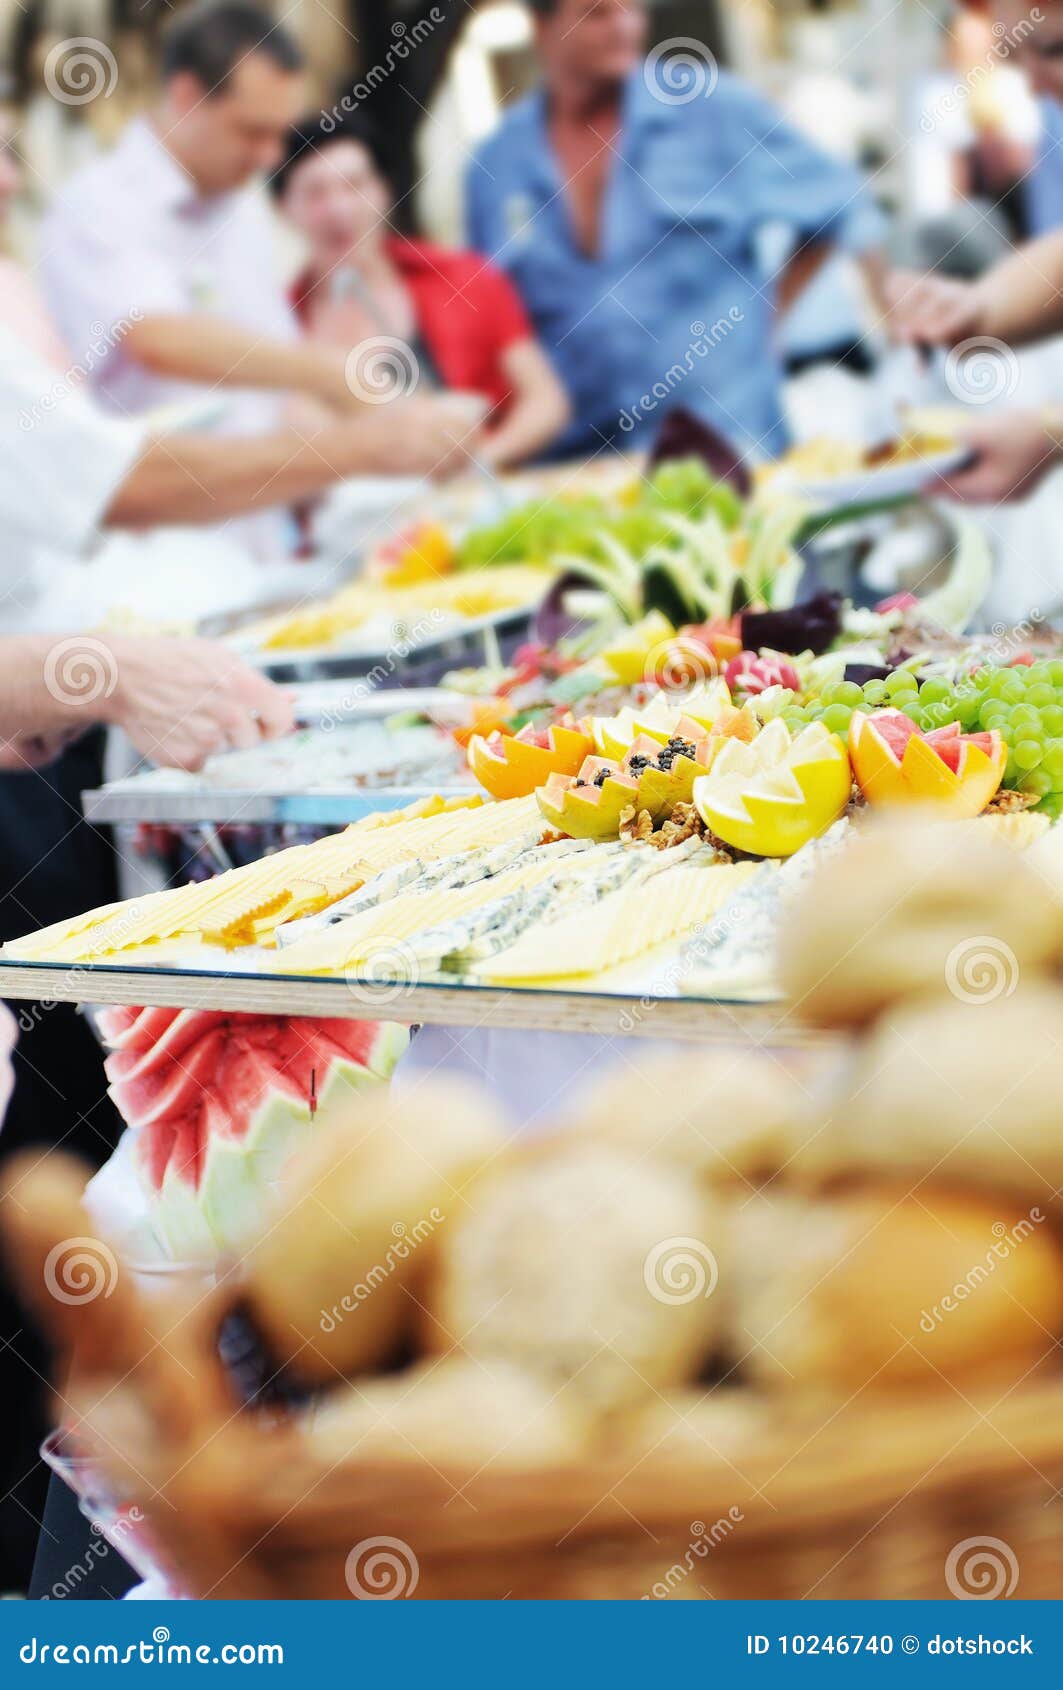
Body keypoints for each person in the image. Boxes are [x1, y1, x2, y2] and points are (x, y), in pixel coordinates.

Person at [39, 0, 479, 544]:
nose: (272, 156)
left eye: (278, 133)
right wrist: (340, 378)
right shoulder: (98, 207)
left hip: (269, 535)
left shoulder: (240, 207)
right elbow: (156, 338)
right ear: (185, 97)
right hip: (162, 552)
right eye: (252, 132)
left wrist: (384, 461)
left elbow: (272, 375)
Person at [465, 0, 886, 461]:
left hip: (726, 445)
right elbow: (488, 312)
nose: (624, 25)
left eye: (633, 9)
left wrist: (771, 314)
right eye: (597, 13)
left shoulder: (712, 110)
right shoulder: (496, 163)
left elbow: (839, 202)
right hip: (578, 467)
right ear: (542, 28)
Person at [271, 112, 570, 469]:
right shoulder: (275, 324)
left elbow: (546, 401)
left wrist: (482, 463)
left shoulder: (462, 278)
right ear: (283, 208)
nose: (338, 209)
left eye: (354, 185)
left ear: (383, 191)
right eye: (315, 193)